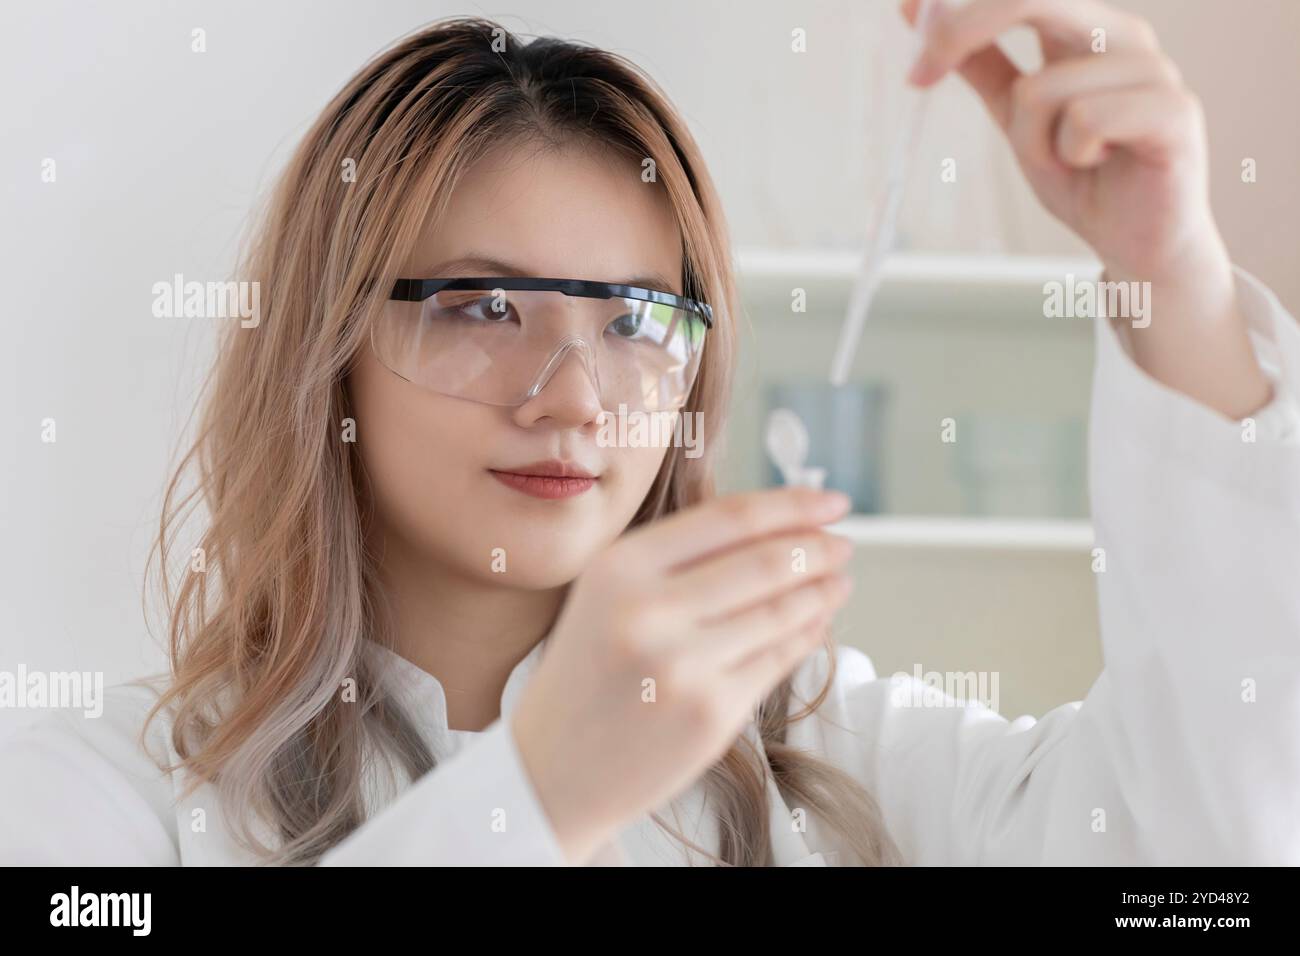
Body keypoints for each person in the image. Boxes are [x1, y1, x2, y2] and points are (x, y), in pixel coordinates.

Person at [3, 1, 1298, 866]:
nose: (572, 395)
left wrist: (1166, 270)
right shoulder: (103, 796)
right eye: (482, 304)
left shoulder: (850, 766)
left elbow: (1200, 853)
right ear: (326, 356)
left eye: (634, 318)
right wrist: (544, 788)